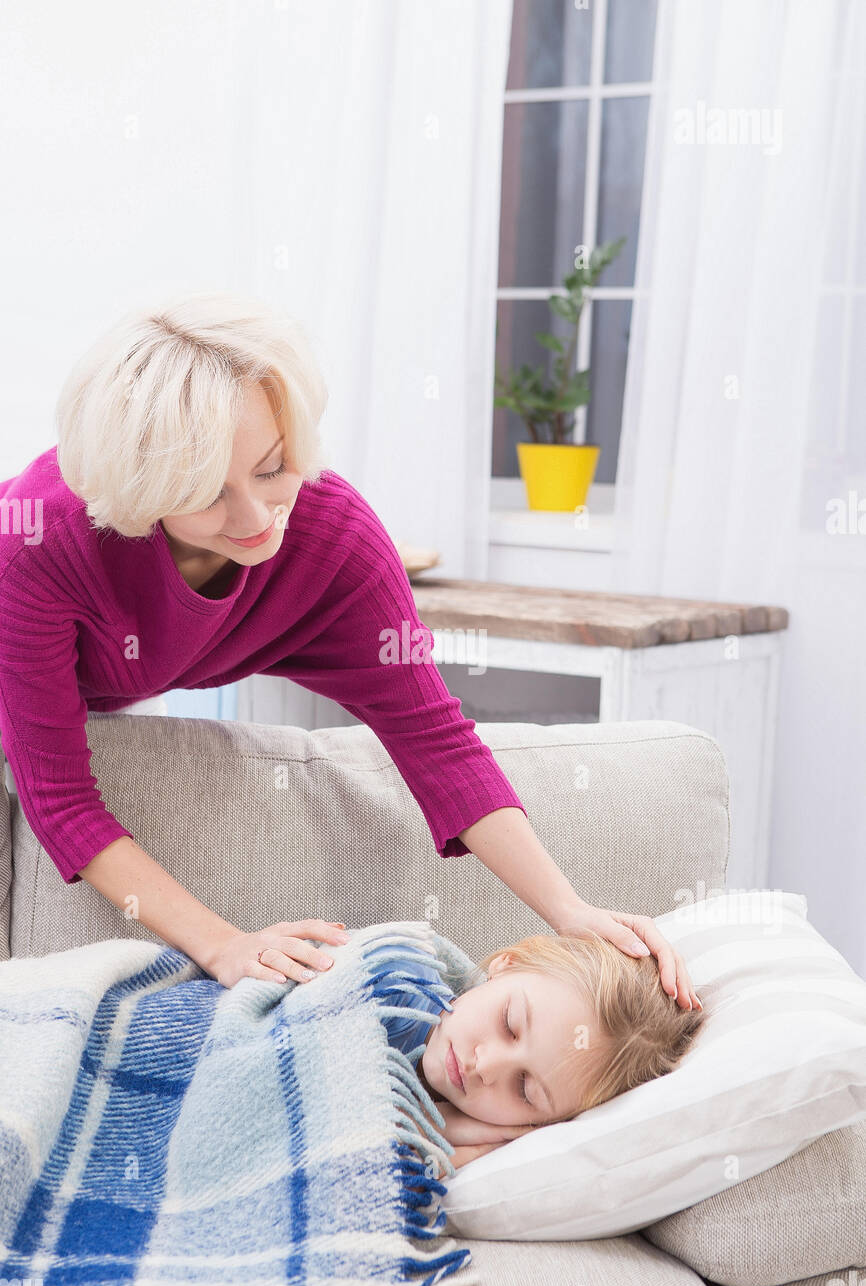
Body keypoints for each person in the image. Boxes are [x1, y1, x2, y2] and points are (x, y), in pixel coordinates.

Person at [0, 289, 700, 1004]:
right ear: (145, 490)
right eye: (208, 492)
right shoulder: (36, 543)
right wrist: (225, 945)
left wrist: (570, 912)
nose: (255, 518)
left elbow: (438, 741)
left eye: (272, 468)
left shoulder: (334, 542)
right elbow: (61, 803)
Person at [386, 933, 706, 1172]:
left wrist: (435, 1131)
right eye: (509, 1024)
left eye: (525, 1089)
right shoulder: (391, 981)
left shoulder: (481, 1147)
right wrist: (422, 1122)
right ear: (506, 964)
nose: (485, 1065)